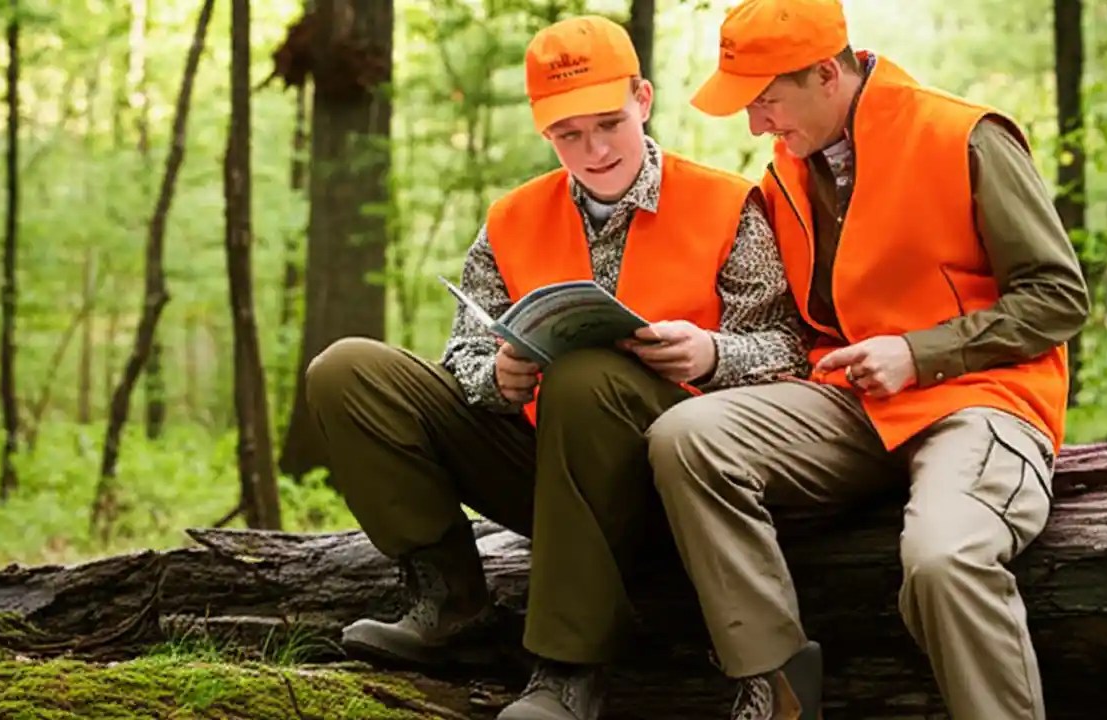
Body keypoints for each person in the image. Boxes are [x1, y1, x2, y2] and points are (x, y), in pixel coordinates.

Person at [304, 13, 808, 720]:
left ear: (644, 99)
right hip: (547, 472)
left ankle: (569, 668)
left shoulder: (729, 205)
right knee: (347, 370)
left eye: (608, 123)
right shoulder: (511, 219)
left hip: (680, 479)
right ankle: (450, 603)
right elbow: (466, 352)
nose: (594, 149)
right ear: (545, 132)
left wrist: (711, 352)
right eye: (568, 135)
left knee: (586, 379)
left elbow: (791, 349)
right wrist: (496, 379)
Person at [644, 1, 1092, 719]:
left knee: (945, 561)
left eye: (766, 100)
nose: (757, 123)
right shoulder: (784, 176)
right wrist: (706, 349)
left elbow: (1059, 298)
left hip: (980, 399)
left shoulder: (964, 136)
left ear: (826, 73)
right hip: (852, 404)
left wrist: (919, 355)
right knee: (687, 437)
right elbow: (798, 323)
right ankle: (777, 686)